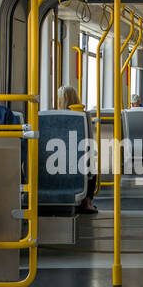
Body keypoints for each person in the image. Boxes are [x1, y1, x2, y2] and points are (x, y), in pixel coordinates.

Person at [56, 84, 99, 214]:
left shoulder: (51, 117)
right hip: (79, 160)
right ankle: (87, 201)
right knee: (91, 163)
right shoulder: (82, 116)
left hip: (55, 160)